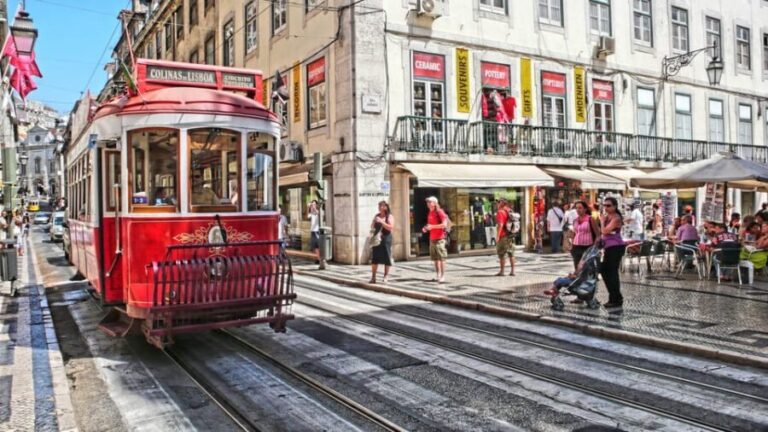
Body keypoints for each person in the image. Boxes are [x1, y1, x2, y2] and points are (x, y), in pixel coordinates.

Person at [600, 197, 626, 309]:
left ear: (615, 206)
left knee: (611, 273)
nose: (606, 208)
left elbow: (605, 231)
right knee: (605, 272)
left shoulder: (616, 218)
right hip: (608, 248)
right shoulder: (607, 217)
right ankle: (615, 297)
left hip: (616, 247)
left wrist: (602, 221)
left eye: (608, 205)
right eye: (604, 205)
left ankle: (616, 299)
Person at [422, 196, 448, 283]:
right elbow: (430, 225)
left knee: (441, 258)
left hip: (440, 238)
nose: (428, 204)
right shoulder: (430, 213)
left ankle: (443, 276)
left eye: (430, 202)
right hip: (432, 238)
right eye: (427, 202)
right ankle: (438, 275)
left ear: (435, 203)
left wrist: (432, 227)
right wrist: (426, 228)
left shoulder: (439, 212)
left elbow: (444, 224)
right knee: (435, 258)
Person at [570, 201, 600, 270]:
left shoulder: (590, 219)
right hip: (576, 246)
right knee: (577, 267)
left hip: (588, 247)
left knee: (587, 268)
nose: (578, 210)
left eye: (580, 208)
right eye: (576, 208)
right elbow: (574, 233)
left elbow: (598, 234)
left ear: (585, 209)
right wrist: (571, 245)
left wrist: (594, 247)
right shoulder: (575, 220)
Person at [370, 200, 394, 283]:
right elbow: (372, 226)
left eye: (382, 206)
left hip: (386, 238)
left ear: (386, 207)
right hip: (377, 238)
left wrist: (381, 222)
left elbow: (390, 227)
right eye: (379, 205)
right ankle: (373, 277)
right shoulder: (377, 215)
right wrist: (374, 222)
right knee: (375, 257)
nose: (380, 207)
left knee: (387, 257)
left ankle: (386, 276)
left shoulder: (389, 216)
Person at [494, 198, 516, 276]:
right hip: (511, 235)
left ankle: (502, 271)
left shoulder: (500, 212)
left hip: (503, 236)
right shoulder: (509, 210)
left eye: (498, 202)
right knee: (511, 253)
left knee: (502, 254)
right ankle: (513, 271)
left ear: (501, 203)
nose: (496, 204)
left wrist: (497, 236)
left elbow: (500, 225)